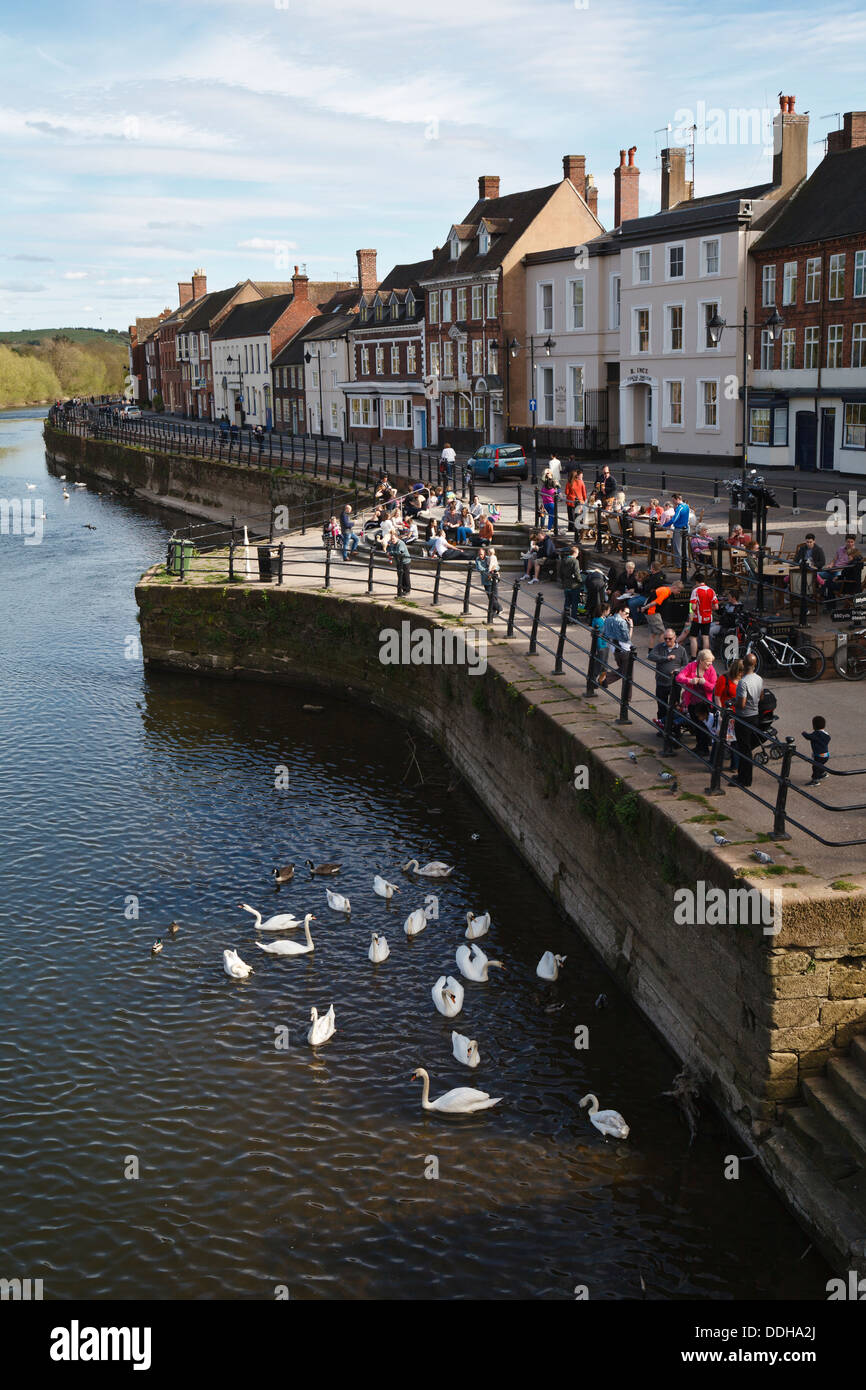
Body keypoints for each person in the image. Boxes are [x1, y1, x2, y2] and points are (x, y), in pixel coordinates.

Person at [676, 649, 717, 758]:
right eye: (708, 662)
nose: (710, 665)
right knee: (696, 725)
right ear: (701, 661)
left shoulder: (711, 670)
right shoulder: (691, 666)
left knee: (703, 726)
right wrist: (690, 680)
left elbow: (713, 687)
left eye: (711, 662)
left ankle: (704, 749)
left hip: (704, 704)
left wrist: (705, 683)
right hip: (692, 702)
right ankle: (699, 746)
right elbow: (679, 677)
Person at [648, 629, 688, 727]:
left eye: (670, 638)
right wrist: (665, 658)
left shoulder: (681, 650)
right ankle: (661, 728)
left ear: (675, 638)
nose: (667, 641)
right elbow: (651, 656)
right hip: (661, 682)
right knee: (661, 706)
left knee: (675, 707)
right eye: (665, 638)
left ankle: (673, 728)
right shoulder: (660, 647)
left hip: (675, 683)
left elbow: (686, 665)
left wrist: (678, 670)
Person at [734, 653, 763, 788]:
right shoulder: (759, 678)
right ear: (755, 664)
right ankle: (742, 776)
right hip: (754, 716)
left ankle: (745, 779)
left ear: (744, 665)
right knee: (747, 748)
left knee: (744, 750)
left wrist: (732, 703)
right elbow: (761, 697)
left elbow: (742, 704)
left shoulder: (743, 682)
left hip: (744, 717)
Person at [715, 657, 743, 770]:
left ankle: (735, 765)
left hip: (738, 715)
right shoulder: (723, 679)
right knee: (721, 739)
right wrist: (720, 712)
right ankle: (716, 764)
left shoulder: (743, 679)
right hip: (726, 714)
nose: (742, 674)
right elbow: (717, 696)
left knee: (736, 741)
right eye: (741, 671)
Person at [818, 537, 862, 602]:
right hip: (852, 585)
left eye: (849, 556)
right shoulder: (856, 562)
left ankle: (829, 603)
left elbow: (846, 574)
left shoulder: (851, 565)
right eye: (848, 541)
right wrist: (832, 566)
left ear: (852, 556)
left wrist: (838, 577)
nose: (848, 557)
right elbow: (847, 574)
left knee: (828, 583)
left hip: (847, 586)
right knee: (820, 576)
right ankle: (826, 599)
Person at [686, 578, 718, 658]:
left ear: (697, 582)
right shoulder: (712, 590)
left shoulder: (695, 591)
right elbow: (716, 607)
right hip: (708, 618)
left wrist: (691, 614)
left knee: (693, 637)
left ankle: (693, 657)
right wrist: (709, 608)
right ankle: (705, 657)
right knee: (705, 637)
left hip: (697, 618)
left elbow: (693, 607)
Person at [661, 493, 690, 565]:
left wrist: (664, 525)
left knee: (677, 548)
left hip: (679, 529)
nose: (673, 502)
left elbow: (674, 519)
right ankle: (685, 565)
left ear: (677, 499)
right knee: (684, 548)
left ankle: (679, 566)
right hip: (686, 528)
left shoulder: (679, 508)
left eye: (673, 500)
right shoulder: (686, 506)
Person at [802, 716, 831, 786]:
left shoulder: (816, 733)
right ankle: (823, 774)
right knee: (820, 765)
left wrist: (804, 733)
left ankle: (815, 780)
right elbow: (828, 738)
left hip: (819, 755)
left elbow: (809, 737)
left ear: (814, 726)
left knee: (815, 767)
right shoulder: (826, 733)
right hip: (826, 755)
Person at [560, 545, 583, 623]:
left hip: (566, 584)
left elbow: (560, 572)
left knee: (567, 601)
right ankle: (574, 618)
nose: (578, 554)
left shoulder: (564, 560)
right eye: (578, 553)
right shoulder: (575, 561)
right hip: (574, 585)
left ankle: (566, 618)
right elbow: (577, 573)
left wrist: (563, 581)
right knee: (574, 602)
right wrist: (580, 581)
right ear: (575, 553)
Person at [591, 602, 611, 686]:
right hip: (602, 645)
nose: (609, 611)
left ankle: (602, 679)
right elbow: (598, 636)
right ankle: (593, 679)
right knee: (600, 664)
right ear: (604, 611)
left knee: (604, 663)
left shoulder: (602, 619)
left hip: (605, 644)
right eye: (608, 610)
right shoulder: (599, 621)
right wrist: (599, 647)